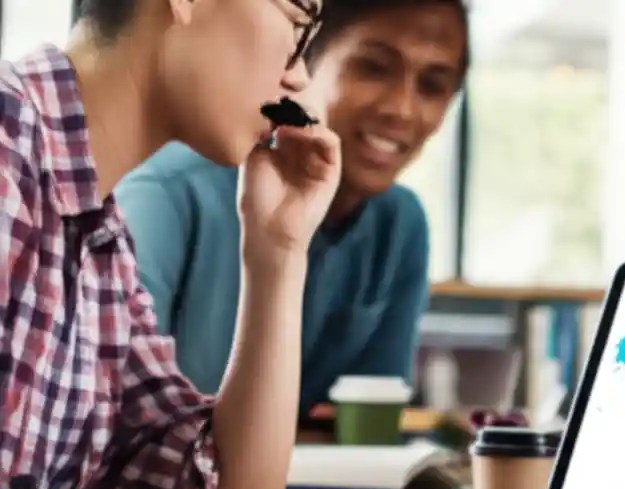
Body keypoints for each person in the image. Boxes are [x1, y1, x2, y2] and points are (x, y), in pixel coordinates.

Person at [0, 0, 341, 489]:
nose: (300, 75)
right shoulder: (7, 155)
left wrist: (278, 252)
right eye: (299, 20)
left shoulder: (99, 249)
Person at [118, 0, 468, 414]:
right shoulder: (164, 195)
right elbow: (119, 416)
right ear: (300, 61)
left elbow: (368, 425)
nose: (402, 109)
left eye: (432, 85)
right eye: (373, 68)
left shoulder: (400, 225)